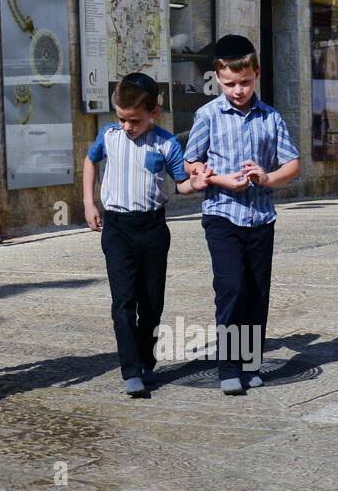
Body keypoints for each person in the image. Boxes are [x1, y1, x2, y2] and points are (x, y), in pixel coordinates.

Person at [184, 34, 301, 395]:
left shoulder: (271, 117)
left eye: (245, 82)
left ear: (257, 74)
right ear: (217, 78)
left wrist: (266, 178)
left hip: (261, 218)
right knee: (231, 288)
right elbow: (191, 164)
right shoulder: (207, 116)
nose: (238, 90)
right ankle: (228, 366)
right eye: (230, 83)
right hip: (222, 214)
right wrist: (215, 178)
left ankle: (251, 362)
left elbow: (292, 163)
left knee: (255, 292)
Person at [83, 72, 208, 398]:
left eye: (134, 120)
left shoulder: (167, 144)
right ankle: (131, 370)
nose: (127, 126)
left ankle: (147, 363)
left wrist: (194, 183)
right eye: (122, 118)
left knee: (151, 303)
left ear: (154, 113)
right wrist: (88, 202)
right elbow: (89, 161)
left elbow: (180, 183)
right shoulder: (109, 136)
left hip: (152, 229)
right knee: (123, 303)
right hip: (117, 229)